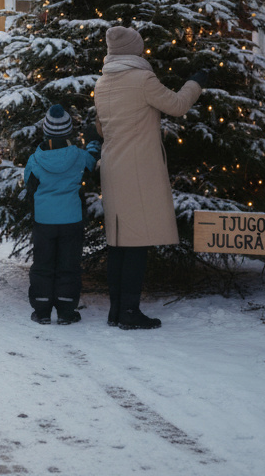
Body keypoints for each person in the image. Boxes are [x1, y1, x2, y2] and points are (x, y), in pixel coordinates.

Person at [94, 25, 206, 329]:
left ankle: (116, 310)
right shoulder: (142, 78)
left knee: (118, 243)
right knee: (137, 244)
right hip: (138, 171)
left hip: (112, 167)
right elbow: (177, 105)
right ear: (134, 50)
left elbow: (101, 129)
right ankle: (129, 313)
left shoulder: (102, 82)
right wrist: (195, 82)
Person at [23, 105, 100, 325]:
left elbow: (30, 187)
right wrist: (93, 141)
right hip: (71, 220)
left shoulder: (35, 160)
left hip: (44, 221)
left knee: (43, 264)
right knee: (69, 264)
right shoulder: (78, 156)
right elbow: (93, 162)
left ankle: (42, 310)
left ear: (45, 132)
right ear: (69, 132)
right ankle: (66, 311)